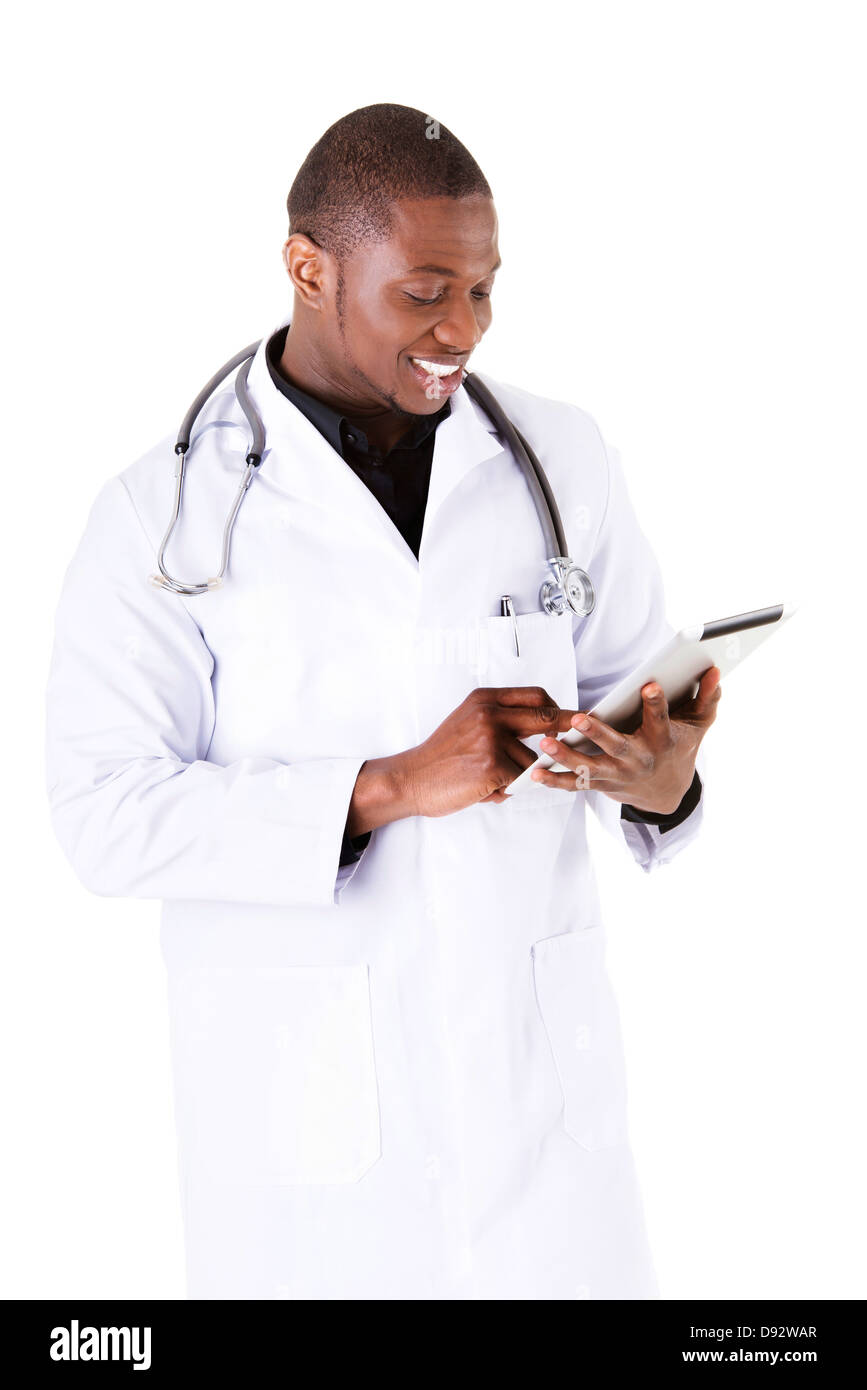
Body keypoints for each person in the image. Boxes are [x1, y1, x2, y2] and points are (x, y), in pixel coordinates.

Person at [45, 103, 721, 1300]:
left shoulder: (558, 457)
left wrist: (661, 786)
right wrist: (391, 786)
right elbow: (104, 814)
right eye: (425, 292)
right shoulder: (164, 515)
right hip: (309, 1142)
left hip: (542, 1125)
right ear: (310, 267)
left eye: (484, 289)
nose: (462, 329)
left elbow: (638, 700)